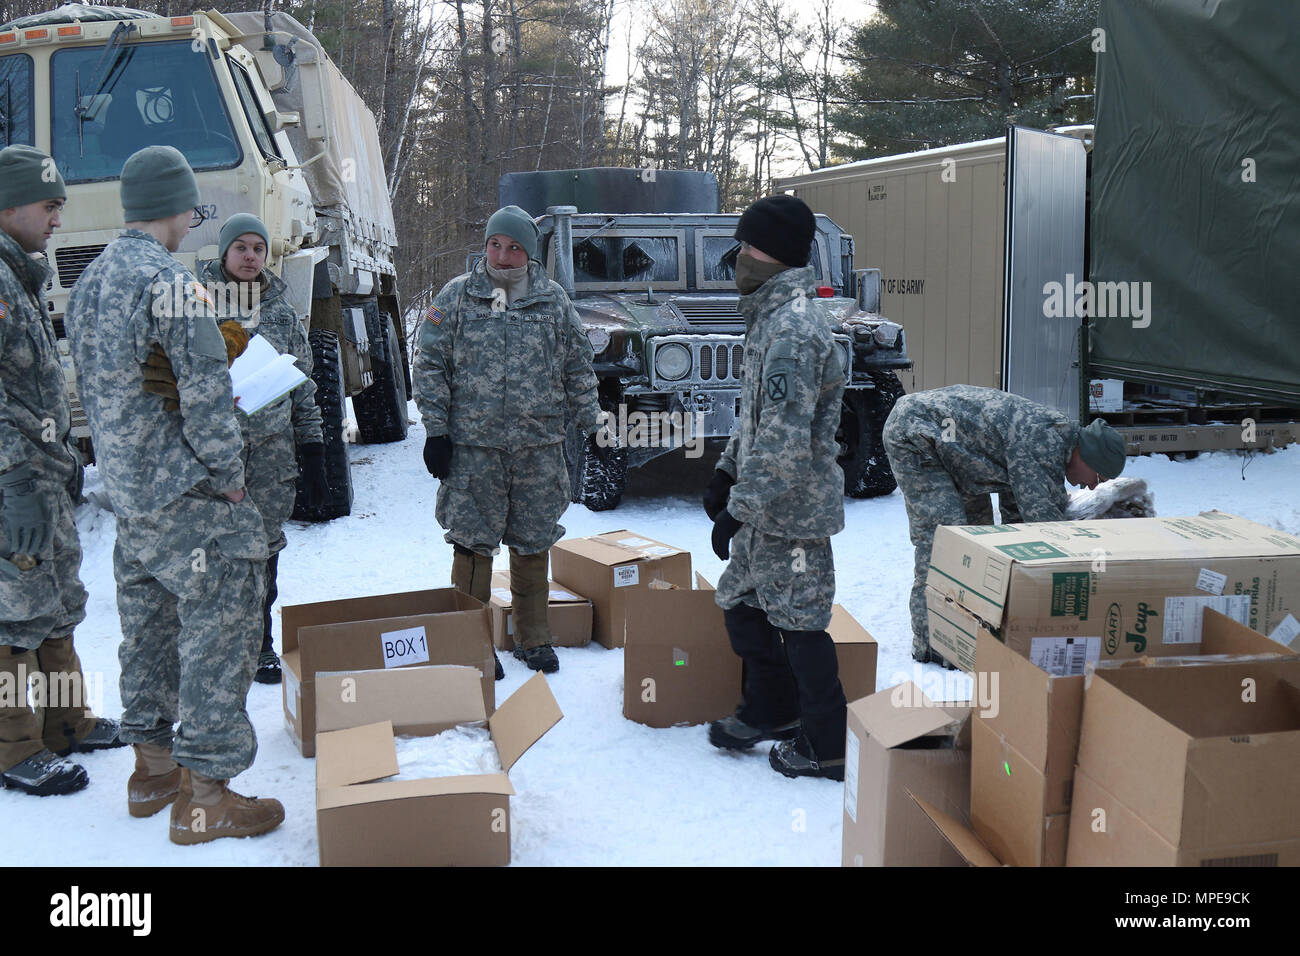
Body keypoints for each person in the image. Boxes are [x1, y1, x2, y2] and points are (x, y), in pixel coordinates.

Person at [65, 146, 283, 843]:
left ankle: (152, 771)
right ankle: (208, 797)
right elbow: (206, 387)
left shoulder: (92, 280)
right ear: (179, 205)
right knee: (222, 626)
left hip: (129, 493)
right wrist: (230, 475)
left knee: (150, 628)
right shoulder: (171, 282)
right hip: (186, 489)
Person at [415, 205, 601, 675]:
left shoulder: (552, 301)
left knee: (533, 538)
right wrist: (436, 430)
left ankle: (534, 637)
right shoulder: (458, 297)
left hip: (538, 446)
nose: (502, 254)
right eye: (495, 244)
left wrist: (593, 422)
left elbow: (577, 367)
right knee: (472, 543)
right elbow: (430, 365)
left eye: (514, 246)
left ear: (529, 254)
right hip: (474, 448)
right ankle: (470, 642)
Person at [706, 195, 848, 781]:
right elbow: (757, 421)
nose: (739, 255)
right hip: (764, 505)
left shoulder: (792, 329)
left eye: (748, 244)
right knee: (741, 604)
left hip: (792, 513)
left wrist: (738, 508)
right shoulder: (769, 320)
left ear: (777, 253)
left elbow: (787, 443)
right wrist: (724, 469)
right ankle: (773, 711)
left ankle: (826, 745)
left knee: (801, 623)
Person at [0, 145, 126, 797]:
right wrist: (16, 478)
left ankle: (66, 723)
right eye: (49, 206)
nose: (56, 219)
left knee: (54, 606)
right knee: (10, 615)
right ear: (10, 205)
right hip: (11, 484)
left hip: (40, 475)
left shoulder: (19, 274)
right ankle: (13, 744)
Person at [882, 383, 1127, 665]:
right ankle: (932, 641)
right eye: (1098, 476)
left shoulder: (1054, 445)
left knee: (977, 541)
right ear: (1086, 455)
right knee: (945, 541)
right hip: (917, 434)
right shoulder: (1043, 442)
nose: (1092, 486)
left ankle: (970, 625)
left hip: (956, 451)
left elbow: (1017, 519)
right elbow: (1046, 527)